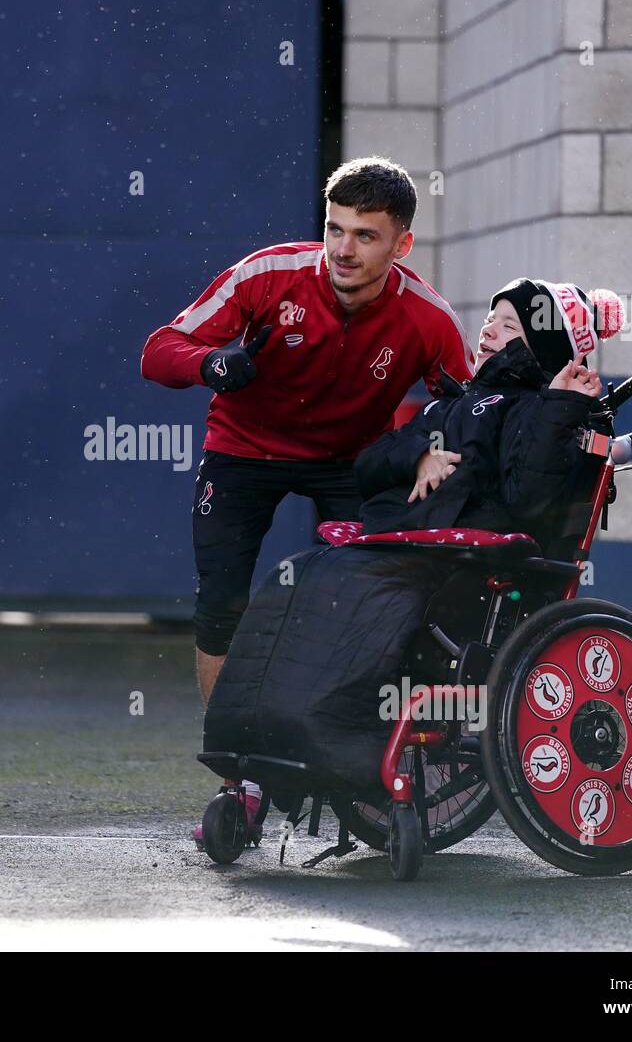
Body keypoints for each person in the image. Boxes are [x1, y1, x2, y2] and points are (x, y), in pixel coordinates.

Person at [142, 156, 473, 843]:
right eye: (335, 229)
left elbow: (472, 408)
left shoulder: (427, 318)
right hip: (242, 447)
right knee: (221, 604)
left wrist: (431, 443)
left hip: (344, 461)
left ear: (401, 245)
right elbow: (158, 350)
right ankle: (242, 783)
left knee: (369, 599)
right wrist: (214, 364)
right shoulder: (269, 275)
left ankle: (348, 753)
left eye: (365, 236)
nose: (343, 250)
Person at [202, 279, 619, 798]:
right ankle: (254, 748)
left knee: (351, 591)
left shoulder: (537, 410)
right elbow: (372, 462)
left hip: (458, 562)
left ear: (545, 352)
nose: (490, 329)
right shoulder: (449, 404)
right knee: (299, 577)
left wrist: (559, 404)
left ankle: (330, 745)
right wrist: (417, 456)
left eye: (510, 326)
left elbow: (529, 500)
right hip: (407, 544)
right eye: (491, 318)